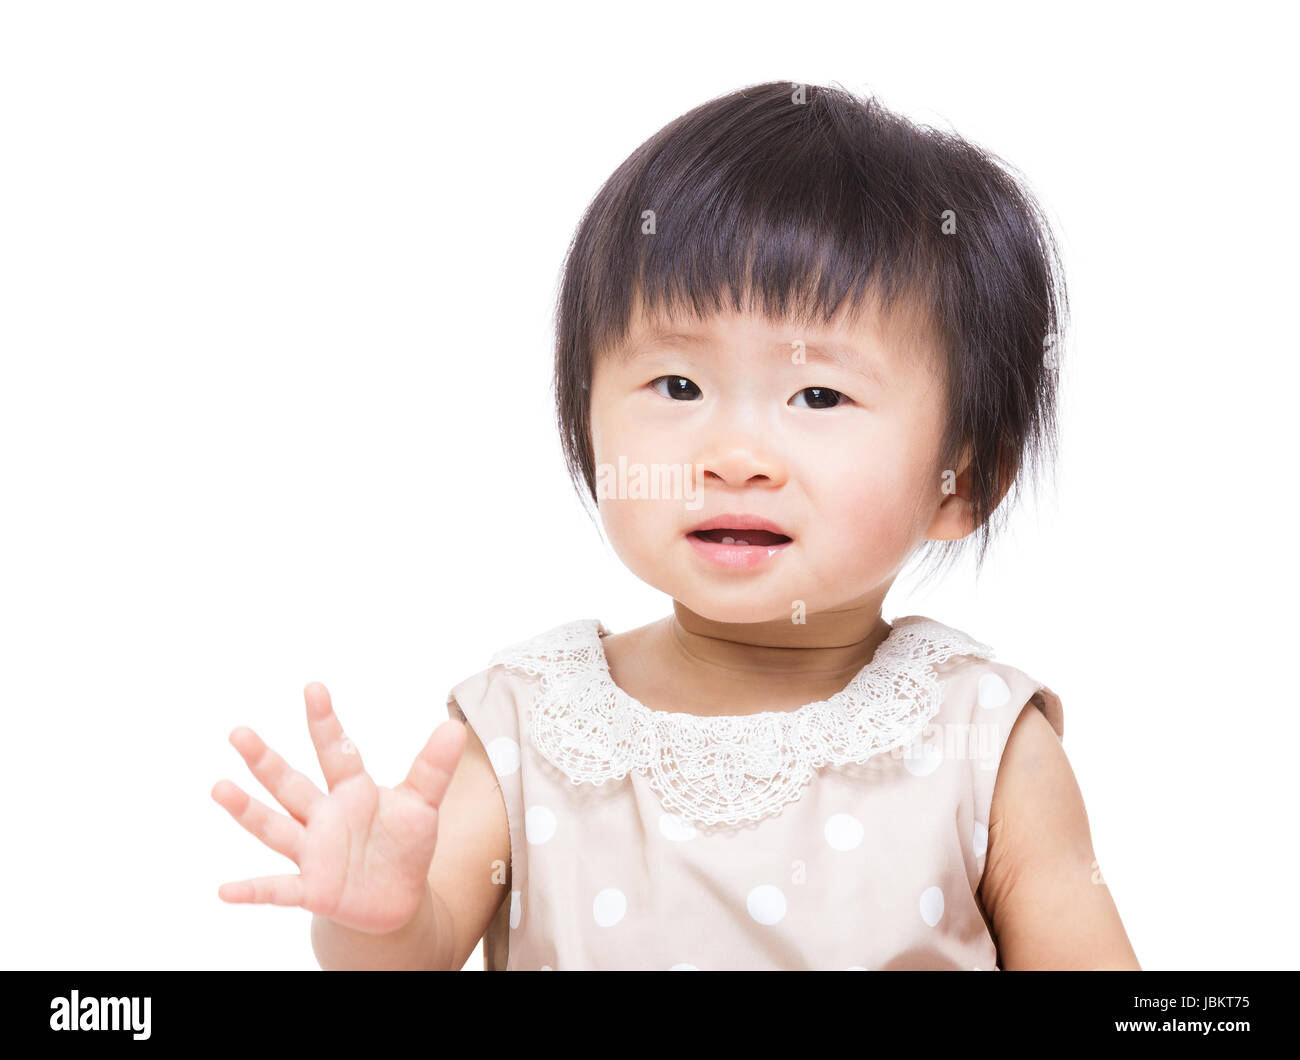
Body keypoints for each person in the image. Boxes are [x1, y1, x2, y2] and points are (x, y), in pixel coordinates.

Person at [211, 80, 1140, 971]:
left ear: (962, 482)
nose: (735, 454)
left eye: (819, 393)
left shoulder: (982, 741)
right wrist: (377, 917)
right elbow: (413, 950)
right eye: (678, 385)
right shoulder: (528, 727)